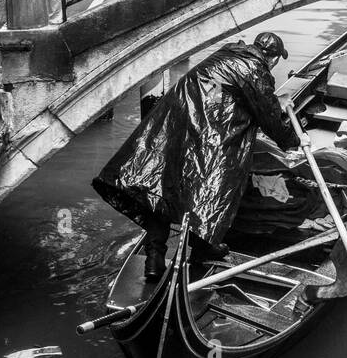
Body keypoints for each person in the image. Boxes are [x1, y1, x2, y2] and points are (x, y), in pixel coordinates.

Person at [92, 31, 299, 282]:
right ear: (274, 58)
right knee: (214, 186)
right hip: (208, 131)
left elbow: (234, 93)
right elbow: (270, 119)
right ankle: (202, 248)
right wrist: (294, 141)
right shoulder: (257, 70)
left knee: (162, 189)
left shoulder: (225, 53)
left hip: (176, 123)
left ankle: (154, 260)